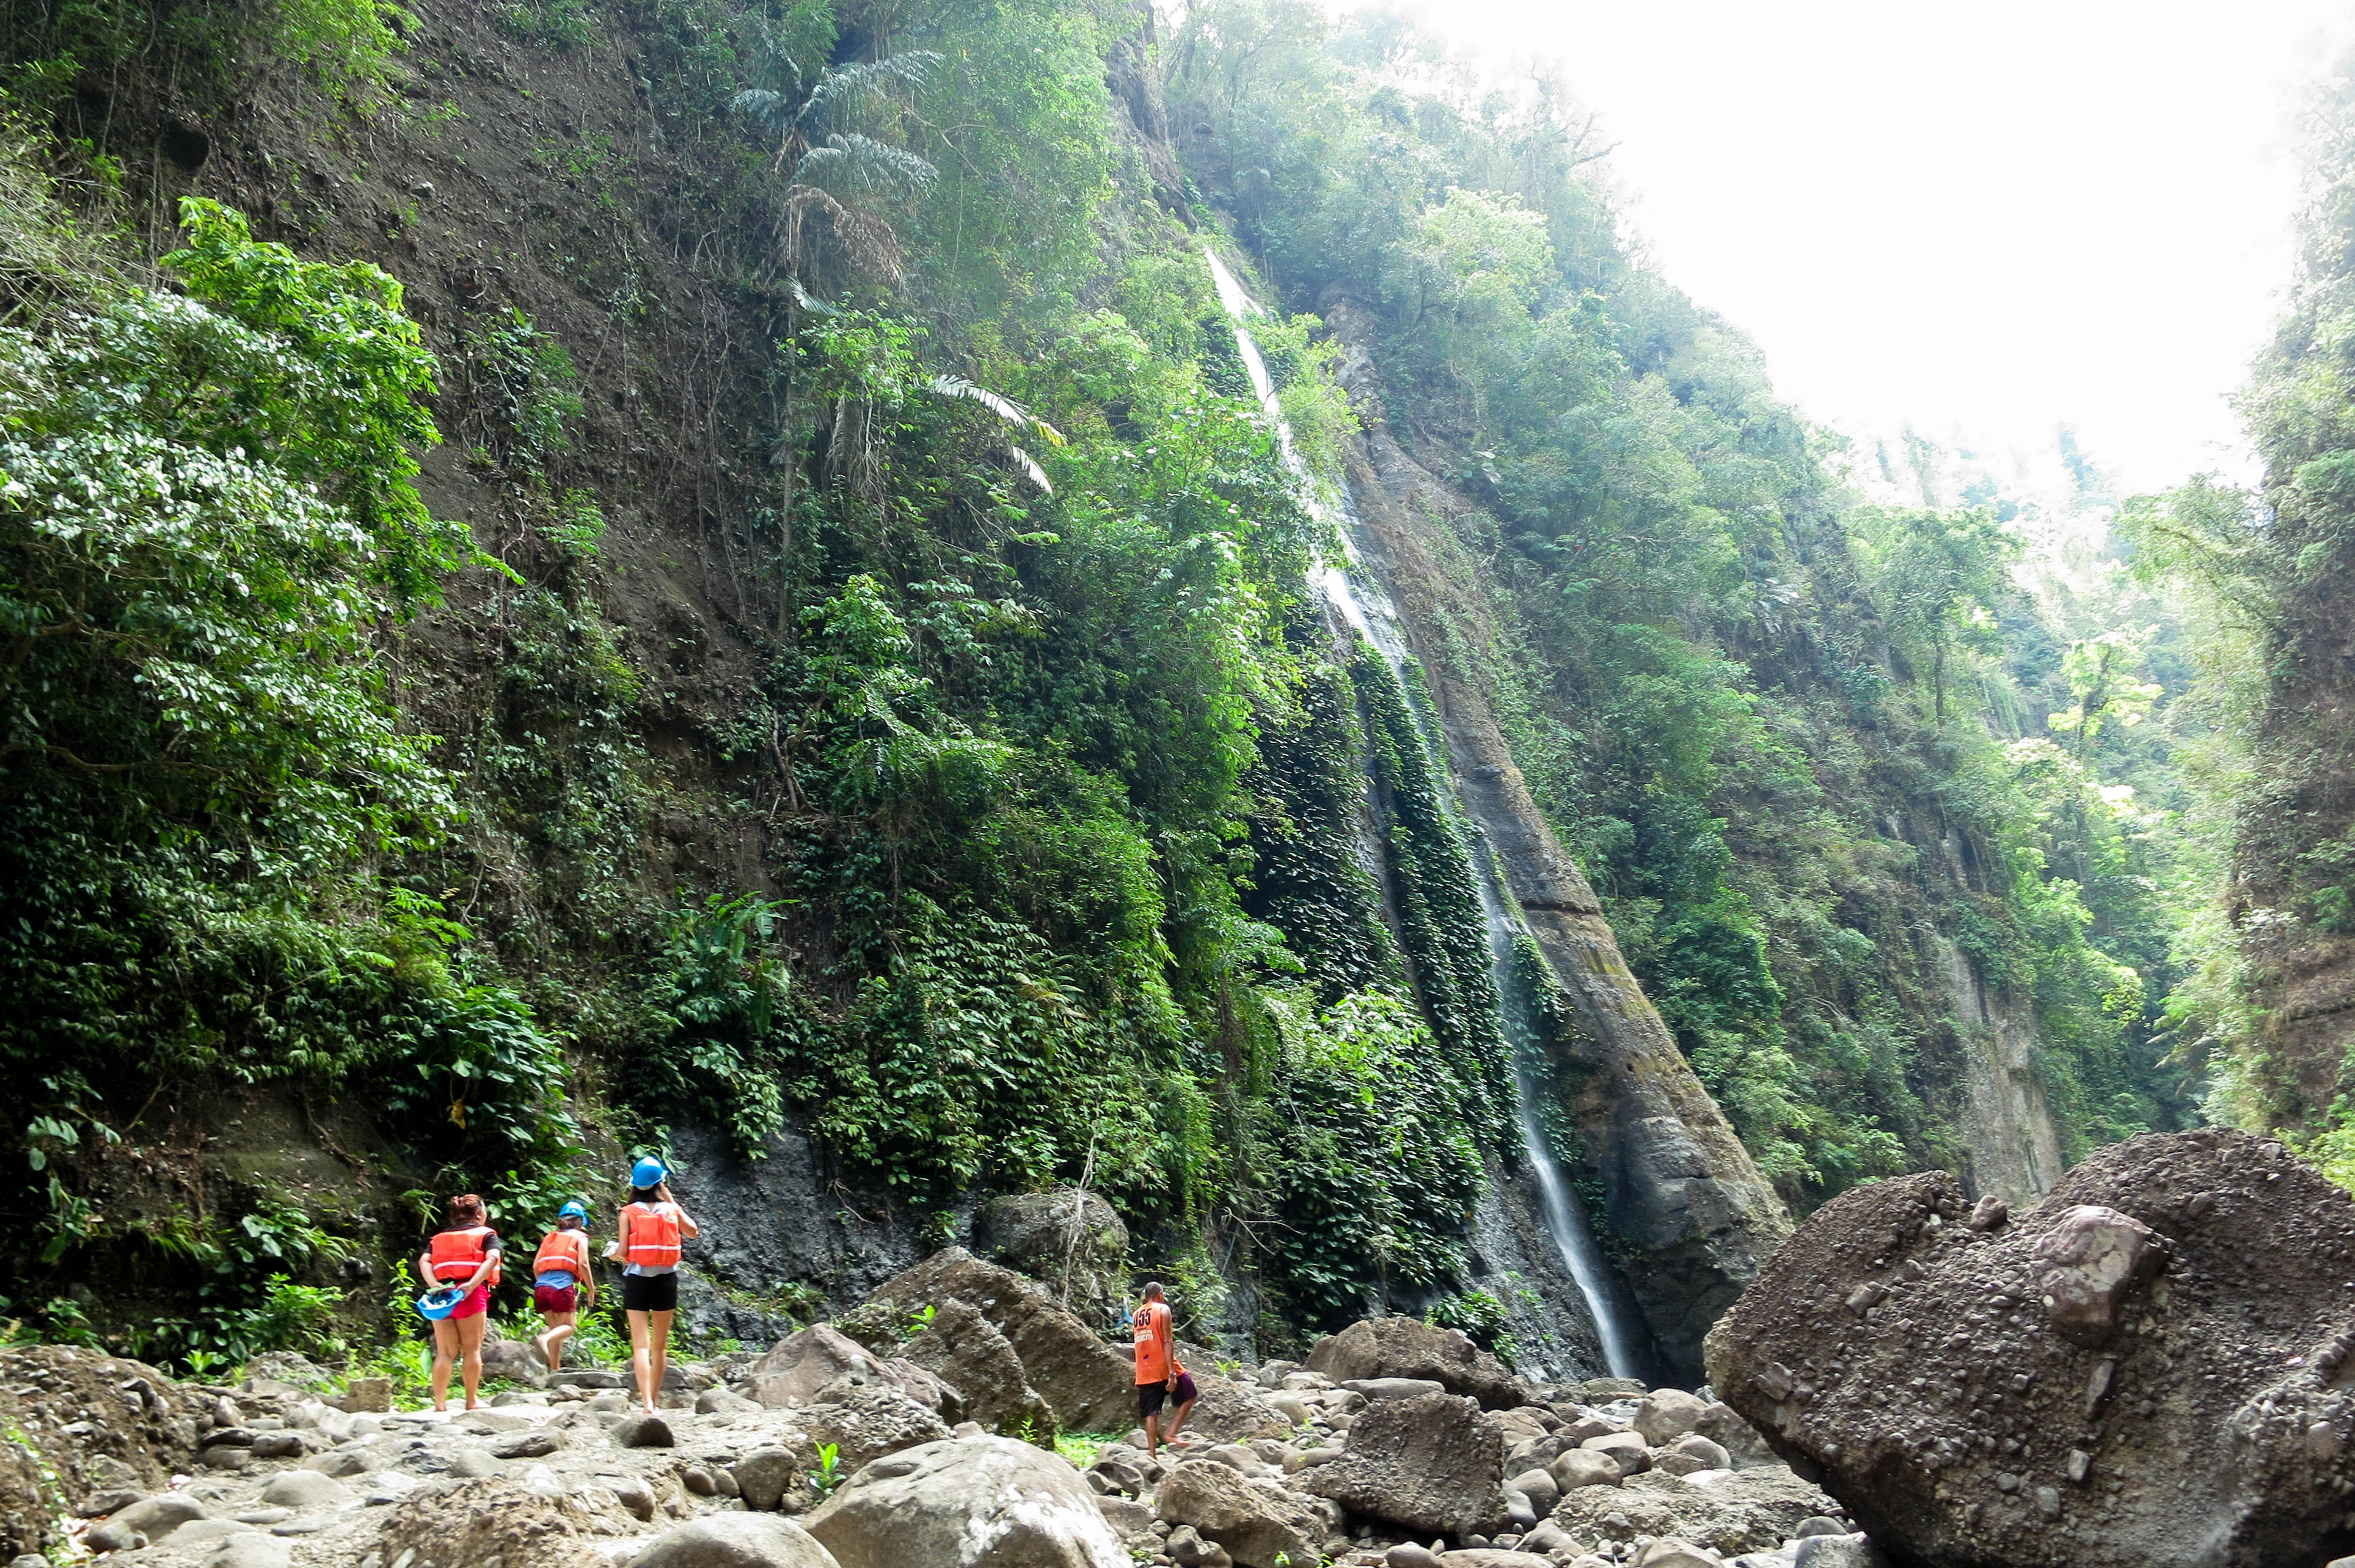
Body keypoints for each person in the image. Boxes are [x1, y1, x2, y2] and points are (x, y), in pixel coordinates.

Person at [613, 1156, 699, 1415]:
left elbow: (623, 1251)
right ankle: (655, 1399)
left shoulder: (628, 1213)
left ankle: (646, 1405)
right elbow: (693, 1231)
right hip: (666, 1280)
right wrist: (672, 1202)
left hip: (637, 1280)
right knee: (660, 1346)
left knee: (640, 1345)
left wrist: (614, 1255)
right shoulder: (671, 1210)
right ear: (661, 1183)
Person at [419, 1193, 502, 1413]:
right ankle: (471, 1401)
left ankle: (439, 1403)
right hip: (470, 1294)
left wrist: (434, 1283)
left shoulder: (438, 1238)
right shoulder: (486, 1234)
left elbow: (424, 1260)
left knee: (445, 1352)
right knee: (472, 1350)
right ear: (478, 1214)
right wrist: (473, 1284)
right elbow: (492, 1258)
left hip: (442, 1296)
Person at [531, 1200, 596, 1371]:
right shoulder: (580, 1237)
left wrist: (544, 1283)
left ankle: (555, 1370)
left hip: (541, 1287)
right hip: (561, 1287)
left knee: (556, 1330)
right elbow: (583, 1264)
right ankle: (543, 1339)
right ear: (581, 1222)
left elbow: (536, 1266)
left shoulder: (549, 1237)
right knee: (568, 1327)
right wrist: (591, 1289)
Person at [1133, 1280, 1196, 1457]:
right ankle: (1171, 1433)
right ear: (1160, 1295)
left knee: (1151, 1414)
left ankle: (1152, 1456)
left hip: (1144, 1368)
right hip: (1163, 1363)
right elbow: (1167, 1341)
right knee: (1189, 1392)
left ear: (1146, 1297)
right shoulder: (1163, 1310)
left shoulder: (1136, 1314)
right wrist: (1172, 1373)